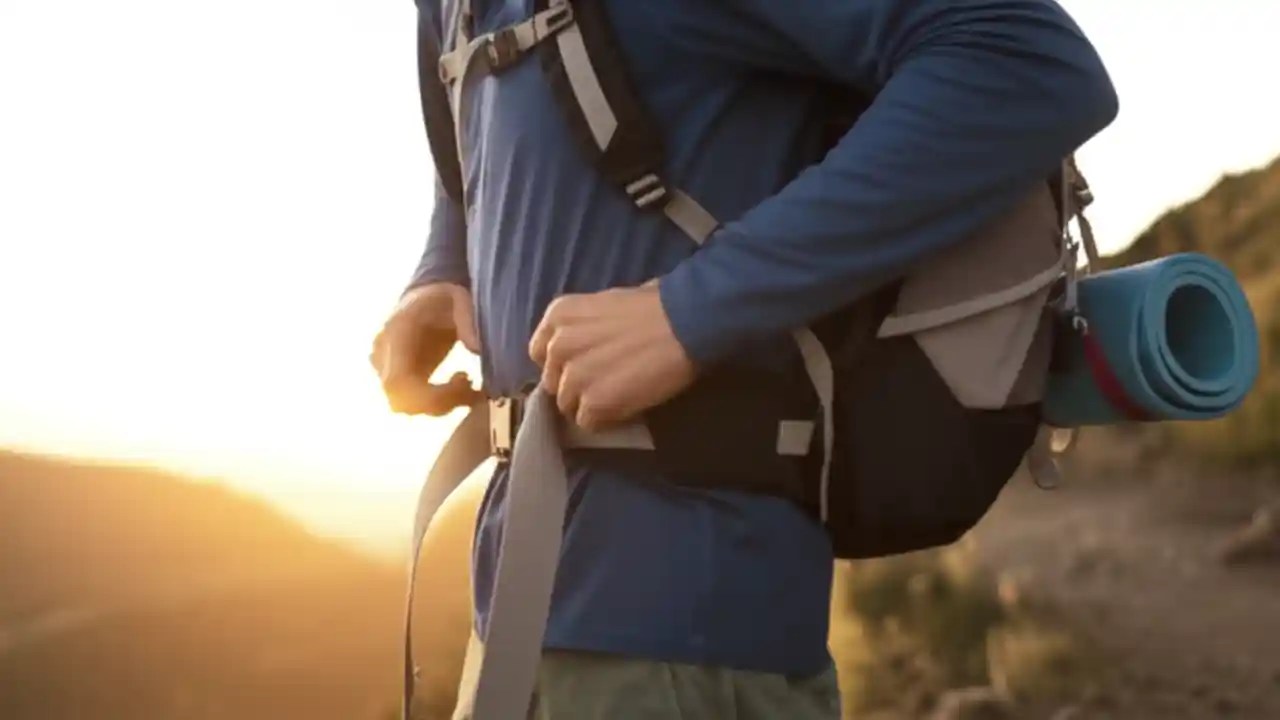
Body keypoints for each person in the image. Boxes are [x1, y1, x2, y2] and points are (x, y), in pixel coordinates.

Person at [372, 1, 1118, 717]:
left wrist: (693, 310)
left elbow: (1027, 64)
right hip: (511, 617)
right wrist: (443, 270)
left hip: (679, 636)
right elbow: (461, 141)